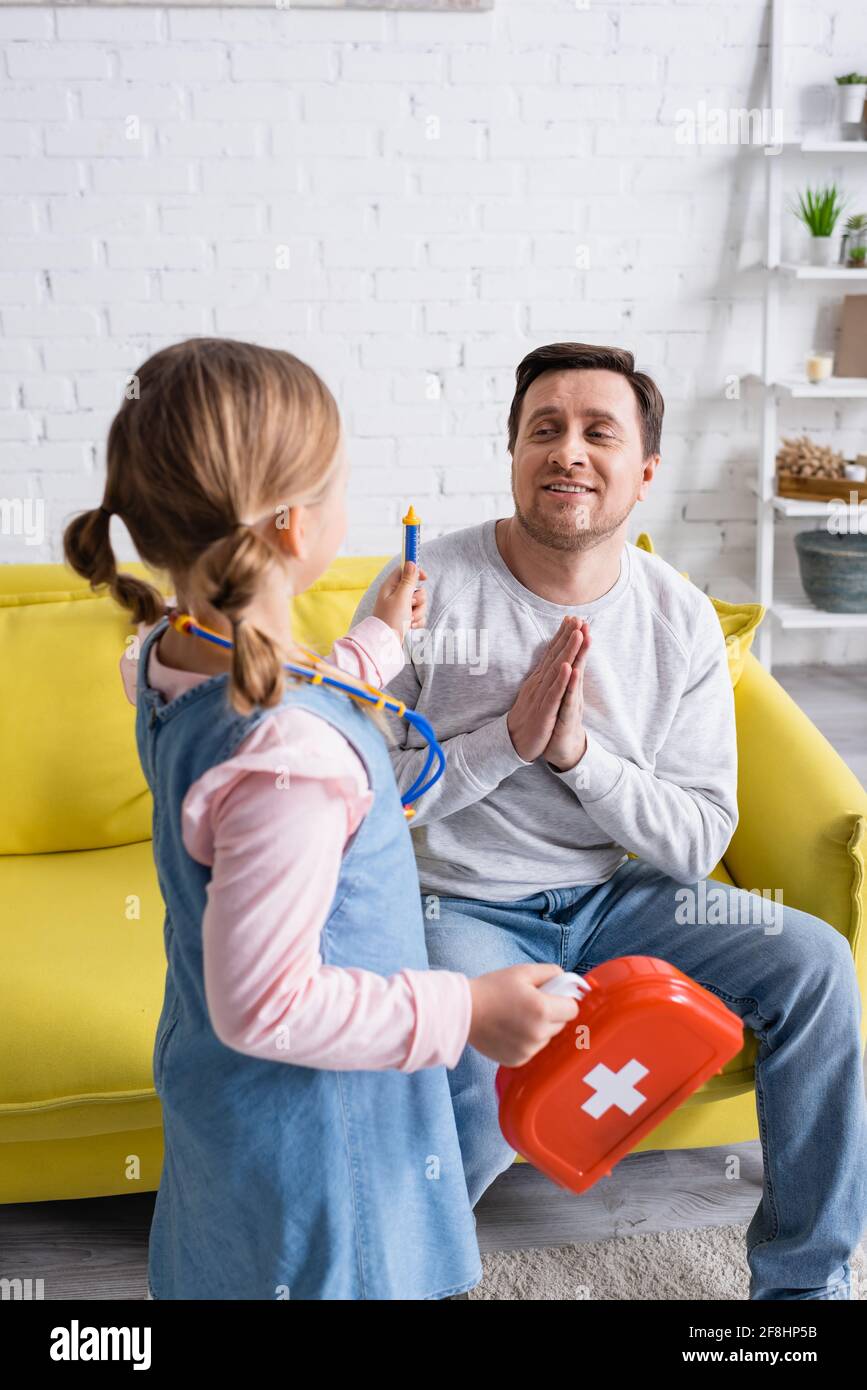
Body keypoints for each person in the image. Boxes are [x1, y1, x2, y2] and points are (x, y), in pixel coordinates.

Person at [61, 337, 579, 1301]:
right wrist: (466, 1009)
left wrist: (375, 643)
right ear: (293, 525)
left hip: (231, 1101)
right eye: (341, 483)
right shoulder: (288, 760)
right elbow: (267, 1003)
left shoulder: (168, 656)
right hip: (323, 1120)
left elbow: (276, 686)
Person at [352, 341, 867, 1301]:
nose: (568, 452)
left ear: (644, 472)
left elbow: (699, 840)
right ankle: (397, 1280)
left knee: (814, 965)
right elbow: (367, 803)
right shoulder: (427, 588)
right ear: (511, 454)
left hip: (618, 896)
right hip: (460, 903)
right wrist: (507, 740)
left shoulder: (679, 619)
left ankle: (804, 1293)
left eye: (599, 432)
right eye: (543, 429)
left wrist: (579, 759)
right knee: (456, 1045)